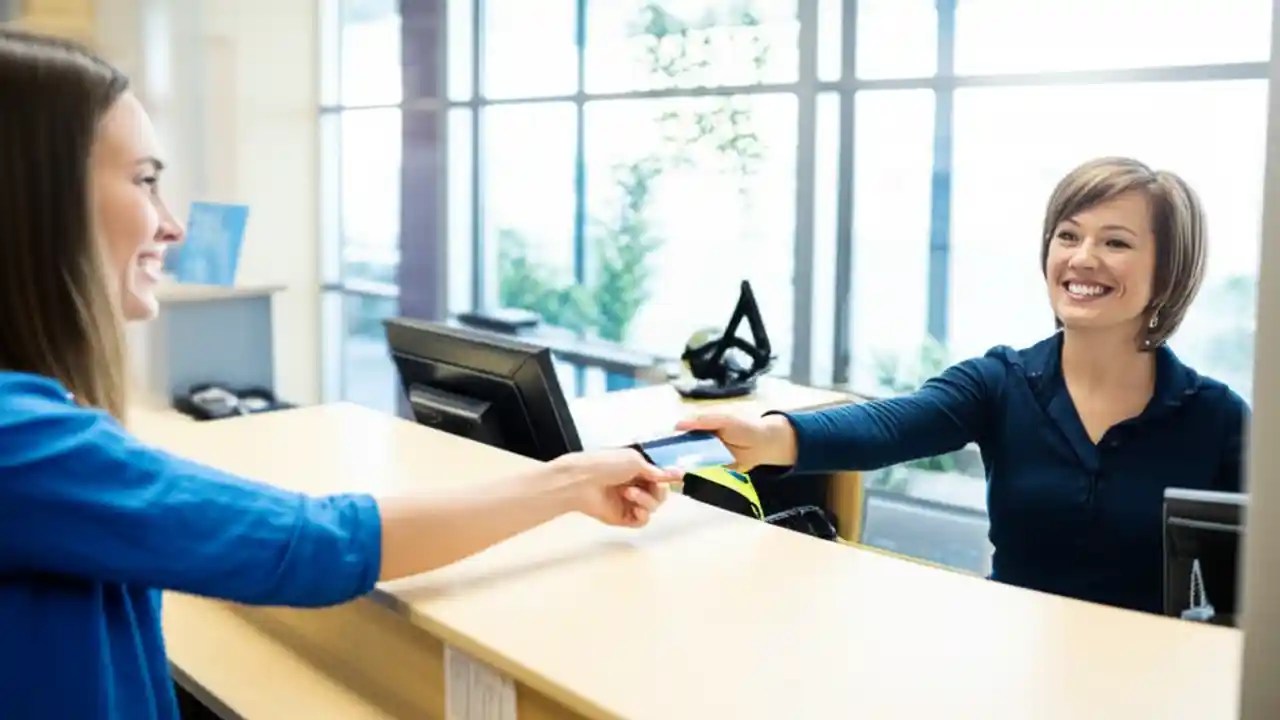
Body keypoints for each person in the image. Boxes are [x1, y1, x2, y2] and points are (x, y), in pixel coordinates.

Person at [0, 29, 678, 719]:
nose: (172, 225)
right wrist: (565, 483)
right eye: (145, 180)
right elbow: (317, 544)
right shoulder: (20, 442)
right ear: (37, 198)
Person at [681, 156, 1249, 615]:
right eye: (1067, 235)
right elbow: (889, 424)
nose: (1082, 258)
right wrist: (766, 436)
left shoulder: (1219, 419)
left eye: (1116, 243)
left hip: (1151, 678)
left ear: (1169, 269)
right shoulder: (1001, 381)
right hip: (1011, 656)